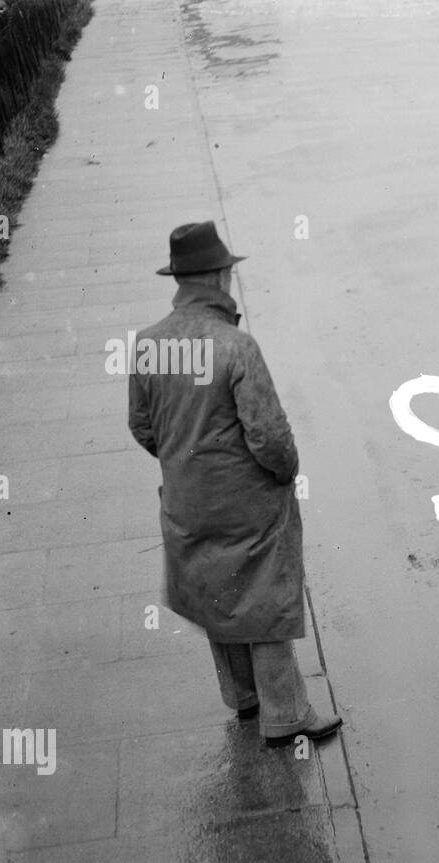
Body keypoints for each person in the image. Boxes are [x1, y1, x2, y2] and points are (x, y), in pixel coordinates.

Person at [128, 221, 341, 747]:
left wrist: (184, 462)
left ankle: (243, 698)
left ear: (179, 279)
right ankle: (286, 715)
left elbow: (141, 425)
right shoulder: (236, 346)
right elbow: (269, 437)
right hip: (245, 504)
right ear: (220, 276)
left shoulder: (150, 345)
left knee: (216, 594)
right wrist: (285, 473)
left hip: (186, 500)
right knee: (262, 600)